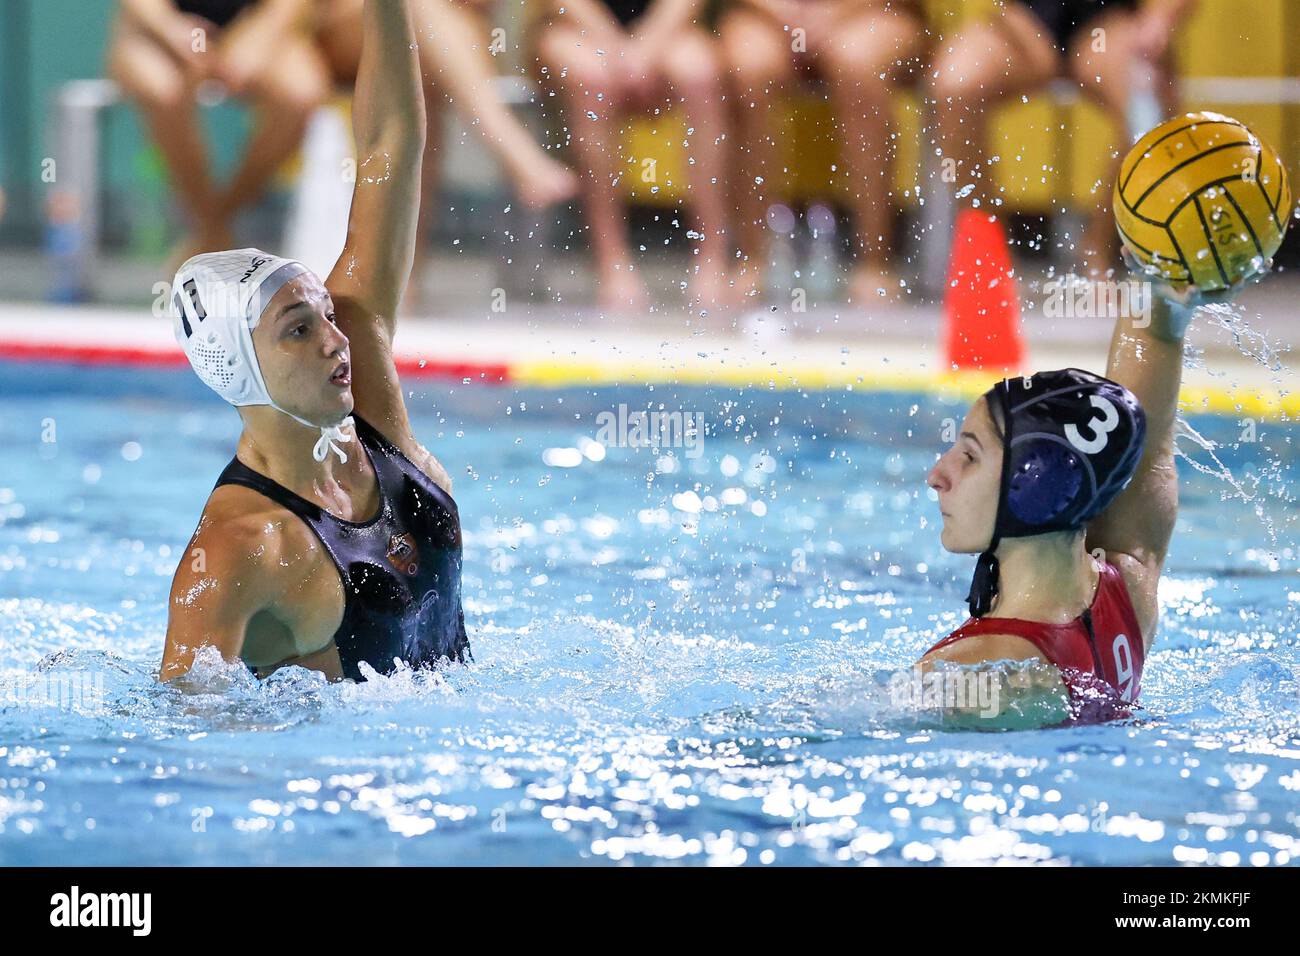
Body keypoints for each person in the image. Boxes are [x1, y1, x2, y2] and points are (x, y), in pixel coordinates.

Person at [159, 0, 469, 683]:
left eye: (327, 314)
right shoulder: (238, 548)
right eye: (299, 329)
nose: (338, 340)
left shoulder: (368, 387)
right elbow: (177, 738)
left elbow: (391, 141)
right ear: (238, 369)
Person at [920, 266, 1242, 726]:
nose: (937, 475)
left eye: (969, 456)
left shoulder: (966, 676)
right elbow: (1148, 447)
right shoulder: (1129, 588)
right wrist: (1159, 284)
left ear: (1033, 486)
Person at [928, 0, 1197, 275]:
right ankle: (988, 258)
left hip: (1107, 24)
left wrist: (1160, 18)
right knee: (955, 85)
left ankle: (1099, 254)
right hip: (1025, 22)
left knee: (1146, 102)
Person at [533, 0, 735, 311]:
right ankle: (611, 261)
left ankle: (712, 257)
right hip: (576, 25)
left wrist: (648, 46)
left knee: (700, 75)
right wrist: (615, 47)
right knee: (591, 79)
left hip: (665, 28)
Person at [107, 0, 336, 267]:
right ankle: (212, 229)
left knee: (298, 95)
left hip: (249, 22)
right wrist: (171, 30)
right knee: (162, 91)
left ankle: (215, 227)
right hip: (161, 26)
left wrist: (259, 33)